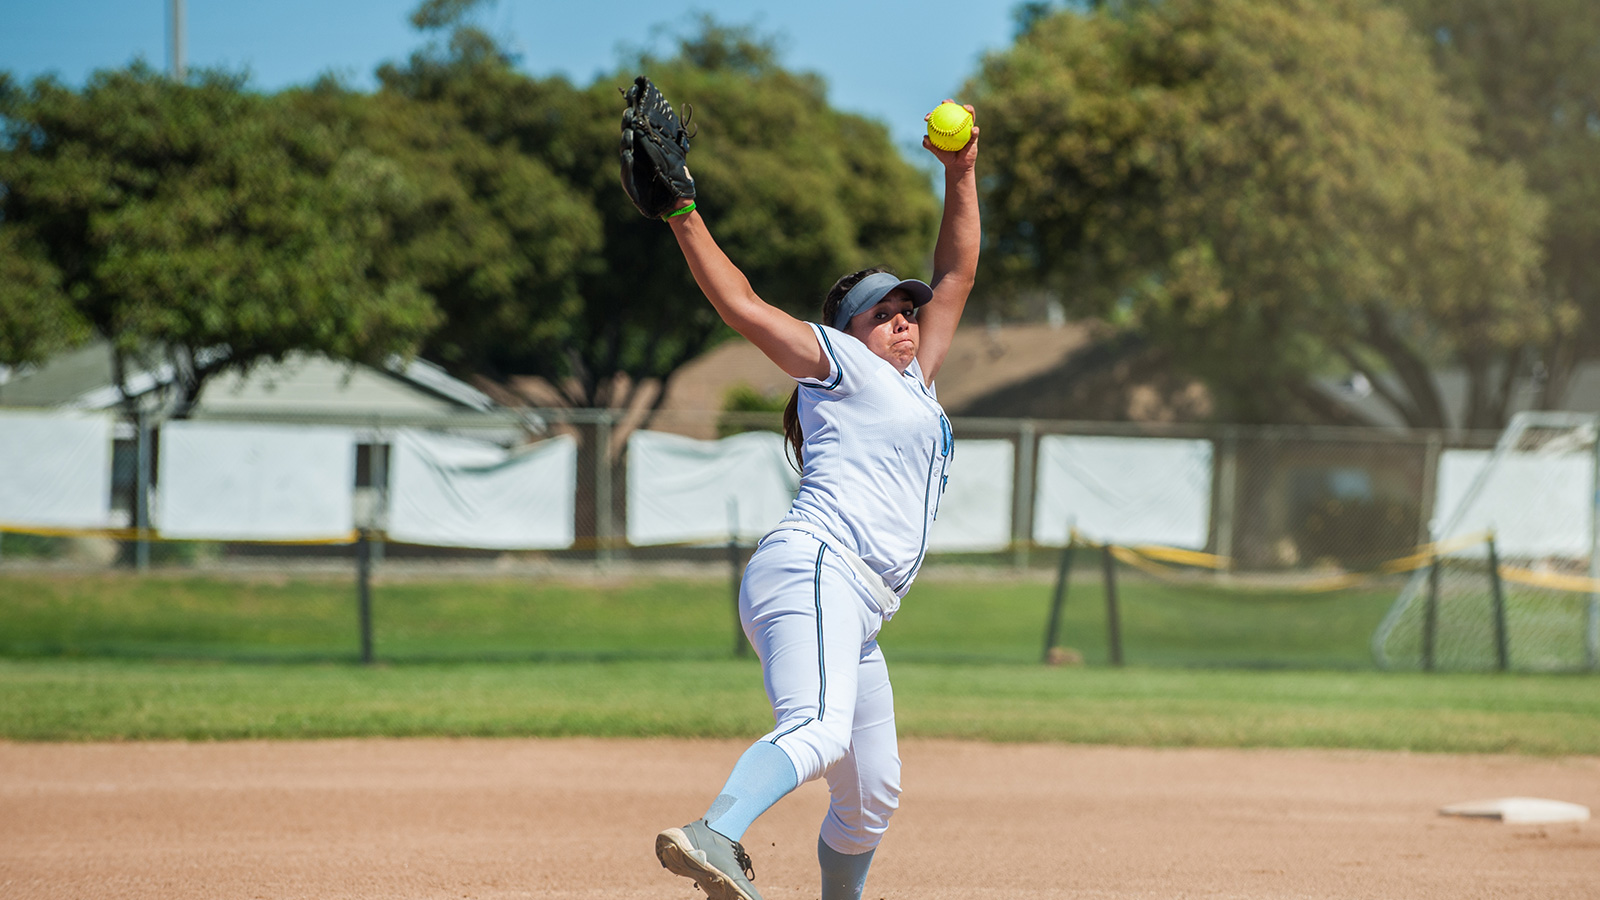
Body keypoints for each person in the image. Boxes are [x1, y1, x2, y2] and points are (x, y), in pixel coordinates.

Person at [652, 102, 980, 900]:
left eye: (909, 312)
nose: (906, 321)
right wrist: (683, 214)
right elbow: (743, 305)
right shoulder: (841, 365)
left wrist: (963, 171)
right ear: (845, 334)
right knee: (818, 729)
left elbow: (959, 274)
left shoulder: (910, 385)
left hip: (858, 604)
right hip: (817, 569)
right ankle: (713, 832)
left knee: (870, 795)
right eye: (885, 314)